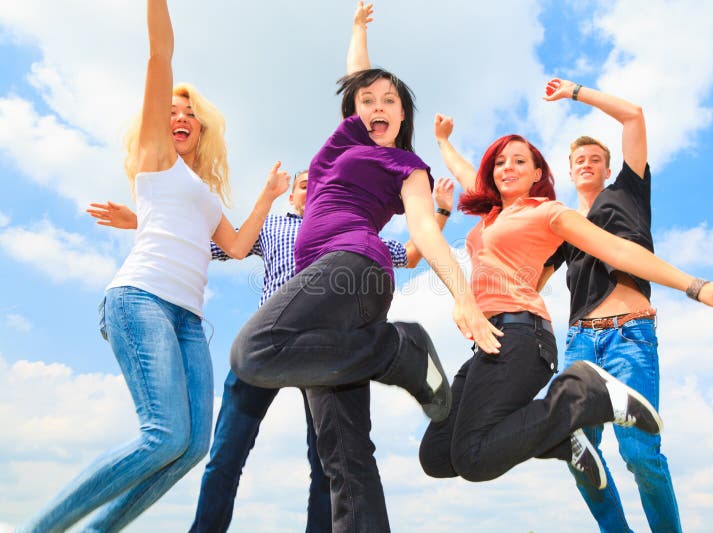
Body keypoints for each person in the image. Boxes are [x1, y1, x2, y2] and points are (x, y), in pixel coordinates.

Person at [228, 3, 502, 532]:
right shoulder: (345, 143)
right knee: (344, 457)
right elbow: (357, 73)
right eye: (367, 100)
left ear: (403, 117)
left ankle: (401, 349)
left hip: (352, 271)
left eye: (390, 101)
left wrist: (462, 295)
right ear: (355, 111)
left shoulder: (406, 165)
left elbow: (423, 230)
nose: (378, 105)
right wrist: (357, 28)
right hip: (328, 310)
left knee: (253, 352)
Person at [18, 2, 288, 531]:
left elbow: (234, 248)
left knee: (191, 448)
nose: (180, 116)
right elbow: (159, 54)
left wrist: (267, 195)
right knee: (163, 435)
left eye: (190, 113)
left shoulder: (204, 193)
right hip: (140, 299)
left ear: (203, 129)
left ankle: (99, 529)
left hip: (188, 320)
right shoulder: (155, 157)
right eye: (172, 110)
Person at [87, 172, 455, 532]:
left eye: (321, 186)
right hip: (270, 345)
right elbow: (212, 243)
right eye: (304, 185)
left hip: (325, 351)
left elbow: (408, 255)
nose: (312, 191)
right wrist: (139, 221)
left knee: (328, 461)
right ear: (292, 195)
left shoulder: (348, 233)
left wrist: (440, 212)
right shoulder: (273, 225)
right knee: (226, 455)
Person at [417, 113, 713, 496]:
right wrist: (443, 140)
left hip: (520, 337)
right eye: (500, 161)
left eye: (520, 161)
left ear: (537, 174)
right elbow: (465, 173)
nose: (507, 167)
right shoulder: (491, 215)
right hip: (488, 341)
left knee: (474, 460)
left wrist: (697, 286)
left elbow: (618, 250)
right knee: (436, 457)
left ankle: (582, 392)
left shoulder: (547, 213)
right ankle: (560, 440)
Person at [540, 78, 682, 532]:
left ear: (607, 170)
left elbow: (634, 115)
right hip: (580, 344)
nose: (587, 164)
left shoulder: (627, 193)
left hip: (628, 335)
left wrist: (575, 92)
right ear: (570, 170)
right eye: (579, 159)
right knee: (577, 449)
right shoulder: (563, 225)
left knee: (640, 454)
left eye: (595, 160)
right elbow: (529, 282)